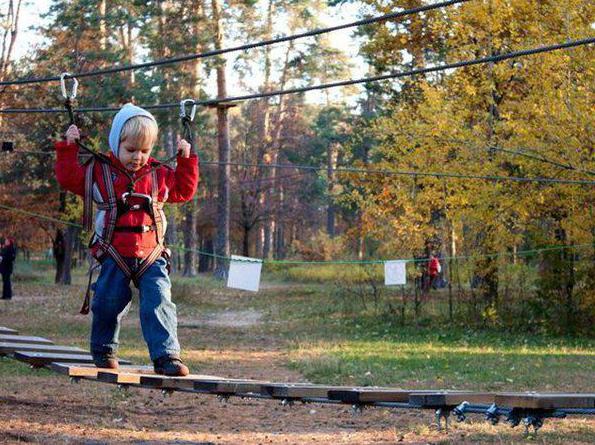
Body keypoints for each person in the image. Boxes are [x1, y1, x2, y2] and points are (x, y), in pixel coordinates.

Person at [54, 103, 199, 376]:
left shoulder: (158, 173)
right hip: (113, 253)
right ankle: (104, 350)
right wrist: (69, 147)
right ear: (115, 143)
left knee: (159, 302)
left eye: (144, 151)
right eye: (130, 150)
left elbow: (183, 190)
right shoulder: (100, 171)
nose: (137, 157)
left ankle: (167, 356)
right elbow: (69, 178)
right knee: (107, 303)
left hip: (151, 254)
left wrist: (186, 160)